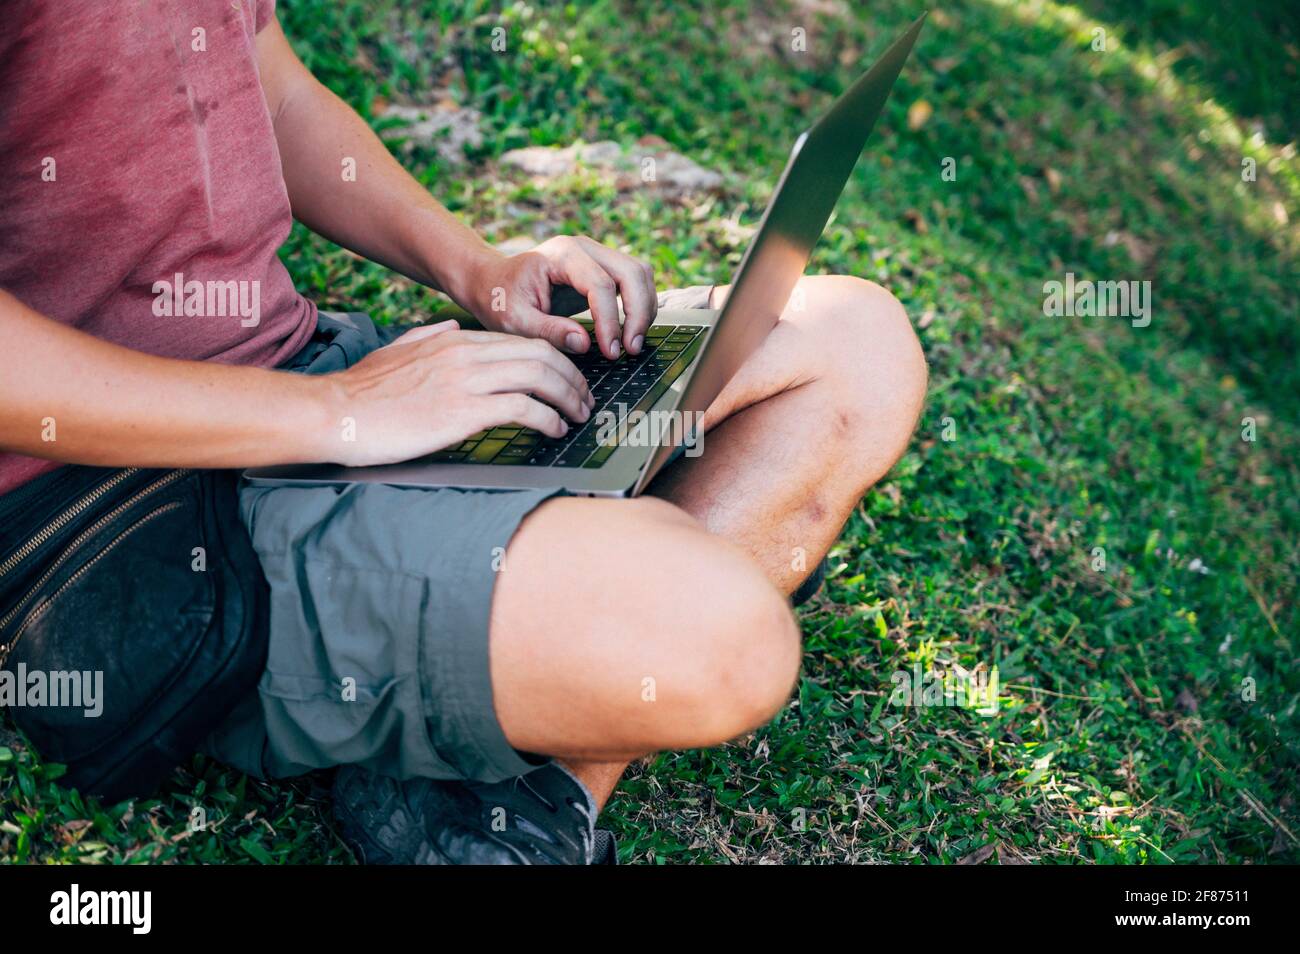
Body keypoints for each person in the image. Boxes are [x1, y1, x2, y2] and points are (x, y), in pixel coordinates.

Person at [0, 0, 926, 863]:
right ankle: (482, 701)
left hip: (302, 380)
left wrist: (480, 272)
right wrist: (339, 413)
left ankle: (516, 801)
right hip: (116, 506)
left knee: (855, 342)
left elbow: (269, 84)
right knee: (726, 639)